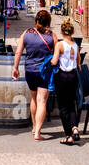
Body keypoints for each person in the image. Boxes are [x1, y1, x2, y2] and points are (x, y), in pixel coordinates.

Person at [11, 9, 57, 140]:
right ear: (48, 22)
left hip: (30, 71)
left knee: (34, 98)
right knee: (42, 101)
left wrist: (15, 68)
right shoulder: (51, 35)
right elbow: (58, 53)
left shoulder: (26, 33)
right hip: (44, 72)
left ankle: (34, 127)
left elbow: (18, 52)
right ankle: (38, 132)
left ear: (36, 20)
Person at [51, 20, 82, 145]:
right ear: (73, 32)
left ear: (61, 32)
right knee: (71, 103)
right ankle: (75, 127)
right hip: (73, 76)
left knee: (63, 107)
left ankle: (68, 135)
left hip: (63, 76)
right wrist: (77, 64)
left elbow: (54, 61)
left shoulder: (60, 45)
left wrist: (50, 62)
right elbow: (78, 61)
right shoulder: (75, 45)